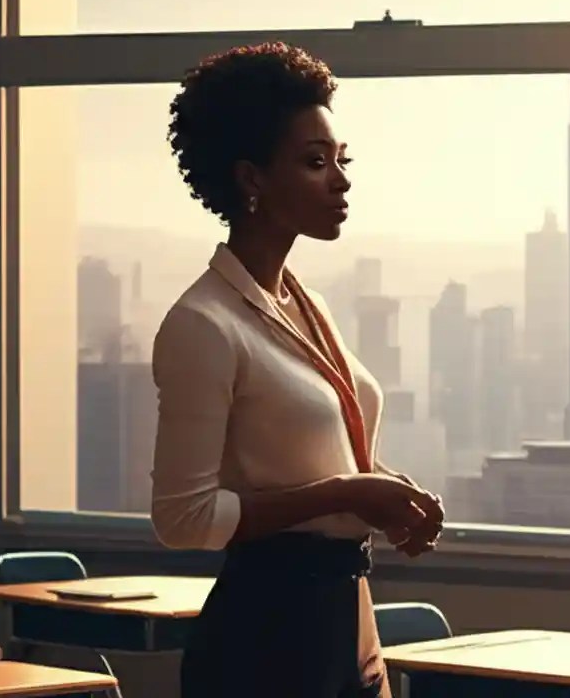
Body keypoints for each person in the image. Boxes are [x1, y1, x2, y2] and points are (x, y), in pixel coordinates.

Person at [150, 42, 445, 697]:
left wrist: (385, 490)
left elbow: (314, 453)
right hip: (266, 634)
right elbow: (182, 517)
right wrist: (347, 494)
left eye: (342, 160)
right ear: (251, 179)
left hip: (349, 614)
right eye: (315, 162)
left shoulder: (304, 303)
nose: (341, 181)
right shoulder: (203, 324)